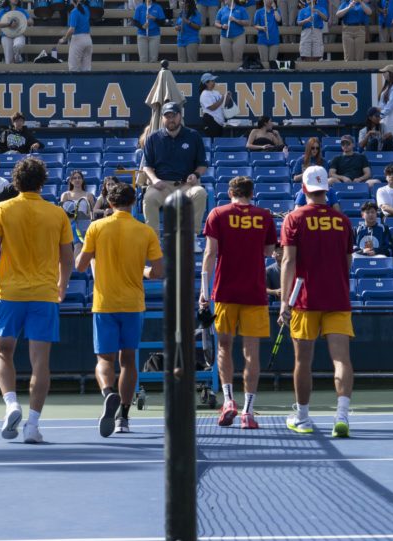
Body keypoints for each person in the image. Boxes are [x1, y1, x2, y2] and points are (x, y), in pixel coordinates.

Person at [0, 156, 75, 444]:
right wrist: (62, 286)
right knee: (40, 363)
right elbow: (67, 257)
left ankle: (11, 403)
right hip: (44, 295)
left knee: (2, 353)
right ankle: (32, 425)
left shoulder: (3, 209)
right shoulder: (57, 213)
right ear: (42, 181)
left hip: (9, 294)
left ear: (16, 181)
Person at [76, 183, 163, 436]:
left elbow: (80, 266)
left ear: (110, 203)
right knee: (128, 362)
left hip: (105, 304)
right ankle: (123, 417)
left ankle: (108, 393)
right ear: (134, 202)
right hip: (133, 305)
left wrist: (89, 255)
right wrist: (143, 271)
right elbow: (158, 272)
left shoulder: (96, 227)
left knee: (105, 359)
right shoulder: (145, 231)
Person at [278, 165, 354, 436]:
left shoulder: (294, 219)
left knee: (303, 361)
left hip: (305, 299)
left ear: (304, 189)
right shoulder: (343, 221)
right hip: (337, 297)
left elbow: (288, 261)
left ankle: (302, 418)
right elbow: (347, 264)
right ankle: (342, 416)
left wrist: (285, 301)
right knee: (341, 360)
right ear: (326, 189)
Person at [201, 176, 277, 429]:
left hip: (225, 291)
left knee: (224, 346)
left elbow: (210, 253)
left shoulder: (218, 214)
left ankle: (229, 401)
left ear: (230, 192)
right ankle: (248, 411)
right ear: (251, 193)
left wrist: (204, 290)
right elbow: (269, 252)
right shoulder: (264, 216)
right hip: (254, 291)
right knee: (251, 352)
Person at [142, 102, 209, 245]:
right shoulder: (153, 138)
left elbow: (202, 164)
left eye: (174, 115)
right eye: (167, 116)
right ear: (162, 118)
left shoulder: (193, 136)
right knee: (149, 198)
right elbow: (147, 167)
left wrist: (196, 175)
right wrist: (154, 180)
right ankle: (153, 240)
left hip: (186, 184)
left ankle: (191, 237)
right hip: (162, 185)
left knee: (200, 193)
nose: (171, 119)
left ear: (180, 116)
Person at [60, 169, 96, 256]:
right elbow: (62, 213)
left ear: (82, 180)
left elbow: (92, 213)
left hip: (84, 224)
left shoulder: (89, 195)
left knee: (80, 245)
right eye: (74, 178)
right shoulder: (65, 195)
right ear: (71, 181)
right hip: (70, 224)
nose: (77, 180)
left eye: (79, 178)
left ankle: (78, 267)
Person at [59, 0, 93, 71]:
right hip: (88, 39)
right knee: (86, 69)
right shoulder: (86, 9)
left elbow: (72, 29)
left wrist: (64, 39)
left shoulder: (74, 12)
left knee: (73, 68)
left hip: (78, 40)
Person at [199, 72, 229, 138]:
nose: (214, 83)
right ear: (206, 83)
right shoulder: (204, 94)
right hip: (211, 121)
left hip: (219, 122)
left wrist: (227, 98)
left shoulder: (216, 92)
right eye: (212, 81)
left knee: (218, 142)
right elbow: (212, 107)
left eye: (214, 81)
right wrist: (222, 98)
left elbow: (224, 105)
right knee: (213, 142)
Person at [254, 0, 282, 66]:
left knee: (272, 63)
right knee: (264, 63)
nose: (269, 1)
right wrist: (261, 28)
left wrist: (275, 9)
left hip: (274, 40)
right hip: (262, 40)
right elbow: (255, 25)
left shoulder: (276, 10)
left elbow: (279, 20)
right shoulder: (259, 12)